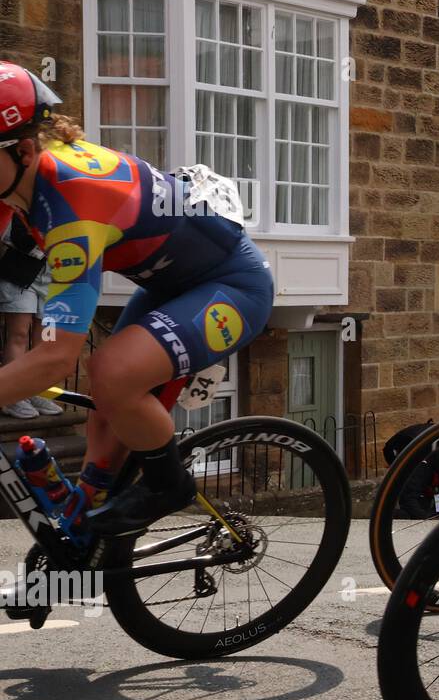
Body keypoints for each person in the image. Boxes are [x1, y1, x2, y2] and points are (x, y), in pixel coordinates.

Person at [0, 62, 273, 540]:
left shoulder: (73, 208)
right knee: (104, 416)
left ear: (23, 149)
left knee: (110, 371)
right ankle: (84, 533)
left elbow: (56, 357)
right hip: (171, 283)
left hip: (233, 285)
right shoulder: (25, 170)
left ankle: (169, 485)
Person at [0, 214, 62, 419]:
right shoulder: (25, 204)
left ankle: (37, 391)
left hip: (53, 278)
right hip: (21, 275)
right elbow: (17, 238)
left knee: (45, 341)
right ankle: (11, 396)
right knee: (18, 335)